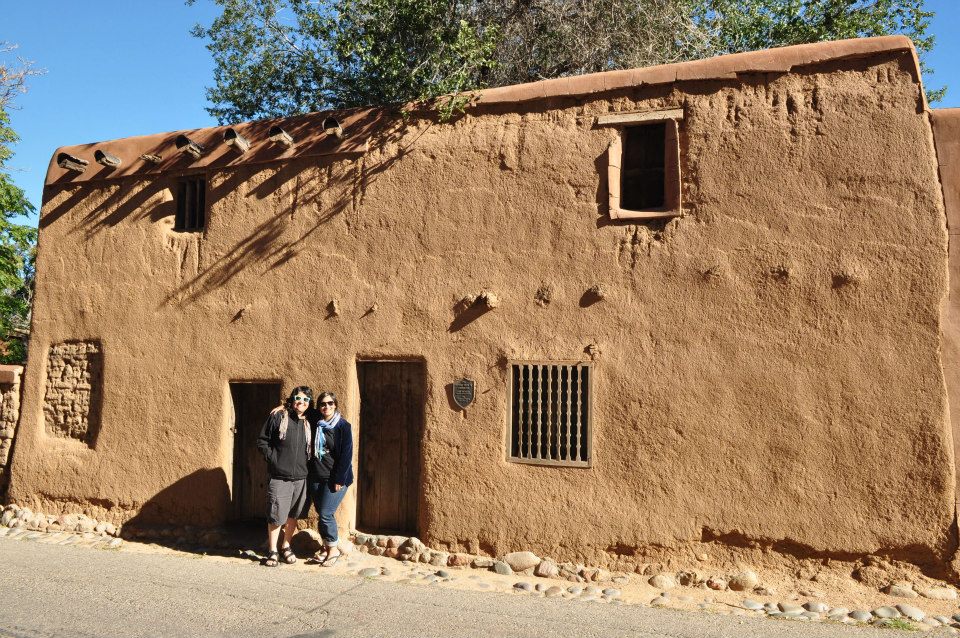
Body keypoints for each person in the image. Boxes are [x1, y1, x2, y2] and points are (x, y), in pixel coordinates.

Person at [256, 386, 313, 567]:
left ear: (309, 404)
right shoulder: (279, 417)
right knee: (276, 515)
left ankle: (286, 546)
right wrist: (274, 460)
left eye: (305, 400)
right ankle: (273, 550)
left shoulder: (310, 420)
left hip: (301, 477)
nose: (301, 402)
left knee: (292, 515)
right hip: (280, 476)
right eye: (298, 398)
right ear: (292, 399)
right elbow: (262, 441)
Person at [309, 391, 354, 566]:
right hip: (316, 476)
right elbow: (298, 407)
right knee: (322, 514)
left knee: (326, 514)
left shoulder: (343, 426)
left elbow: (346, 455)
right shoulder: (316, 422)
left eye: (329, 403)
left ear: (335, 405)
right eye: (322, 404)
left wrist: (339, 479)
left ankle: (333, 550)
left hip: (334, 478)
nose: (326, 406)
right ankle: (325, 547)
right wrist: (282, 406)